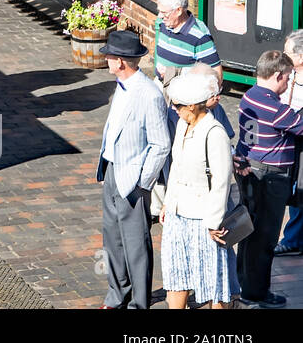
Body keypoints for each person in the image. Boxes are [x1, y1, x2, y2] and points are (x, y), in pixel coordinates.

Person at [95, 30, 171, 309]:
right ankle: (117, 296)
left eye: (110, 57)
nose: (107, 61)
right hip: (113, 171)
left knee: (136, 244)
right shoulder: (121, 84)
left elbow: (161, 144)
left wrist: (143, 182)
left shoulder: (148, 94)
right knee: (112, 239)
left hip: (134, 181)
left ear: (122, 62)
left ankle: (139, 303)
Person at [159, 69, 238, 310]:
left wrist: (213, 223)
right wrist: (167, 202)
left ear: (192, 105)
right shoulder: (183, 125)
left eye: (177, 105)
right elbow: (177, 168)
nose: (173, 108)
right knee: (175, 275)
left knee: (214, 282)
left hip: (203, 220)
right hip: (177, 215)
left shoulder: (214, 133)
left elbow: (222, 181)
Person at [233, 49, 303, 307]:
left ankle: (244, 283)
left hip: (250, 170)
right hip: (270, 178)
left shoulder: (249, 96)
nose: (288, 84)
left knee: (249, 234)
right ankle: (256, 293)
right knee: (265, 237)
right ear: (277, 75)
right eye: (287, 79)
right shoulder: (275, 108)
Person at [153, 0, 222, 85]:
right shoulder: (164, 24)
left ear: (178, 11)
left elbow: (216, 74)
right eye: (159, 11)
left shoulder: (200, 37)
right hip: (160, 83)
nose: (159, 16)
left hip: (183, 91)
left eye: (164, 12)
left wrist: (172, 74)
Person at [274, 30, 303, 256]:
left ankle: (293, 239)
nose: (283, 56)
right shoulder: (288, 75)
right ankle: (294, 238)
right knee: (294, 189)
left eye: (288, 53)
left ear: (300, 57)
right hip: (289, 139)